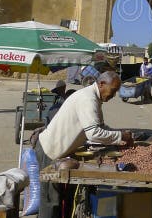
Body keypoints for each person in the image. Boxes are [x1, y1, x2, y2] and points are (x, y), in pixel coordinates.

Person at [35, 71, 134, 218]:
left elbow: (101, 127)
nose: (113, 95)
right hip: (50, 150)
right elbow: (94, 133)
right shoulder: (88, 98)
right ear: (101, 84)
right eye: (113, 91)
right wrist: (120, 136)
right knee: (51, 201)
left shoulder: (94, 98)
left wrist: (120, 135)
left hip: (63, 152)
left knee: (64, 197)